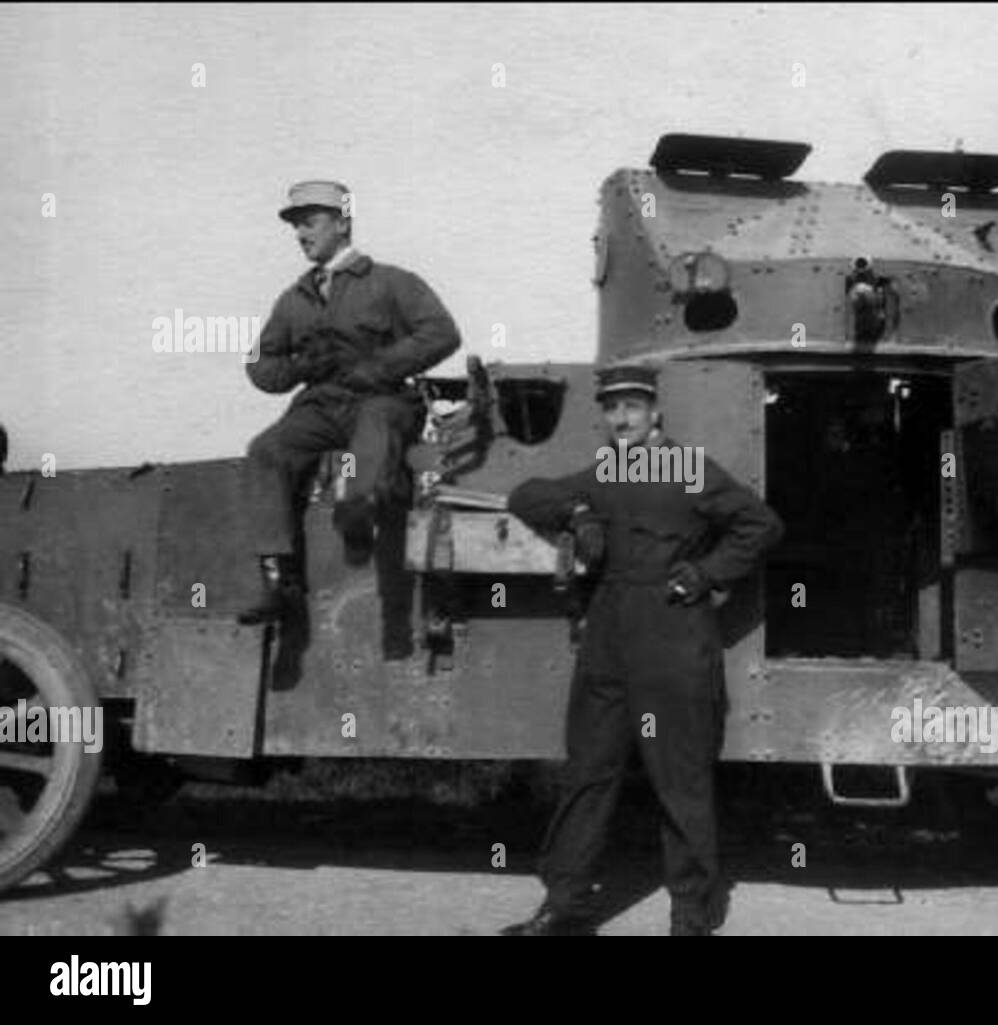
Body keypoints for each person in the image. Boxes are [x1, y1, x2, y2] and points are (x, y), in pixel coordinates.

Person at [501, 364, 783, 936]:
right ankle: (565, 903)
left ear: (656, 413)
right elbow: (526, 495)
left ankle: (692, 914)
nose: (621, 418)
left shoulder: (688, 468)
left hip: (674, 635)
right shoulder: (604, 471)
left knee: (679, 780)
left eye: (632, 406)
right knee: (587, 772)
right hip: (606, 635)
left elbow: (761, 525)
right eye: (611, 408)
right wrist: (577, 514)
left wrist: (704, 575)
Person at [238, 181, 461, 626]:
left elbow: (441, 333)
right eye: (296, 226)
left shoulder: (389, 282)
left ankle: (357, 512)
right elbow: (261, 366)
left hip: (382, 398)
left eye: (310, 222)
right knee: (266, 451)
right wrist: (301, 365)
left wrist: (380, 368)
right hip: (322, 406)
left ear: (342, 223)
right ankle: (280, 582)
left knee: (375, 428)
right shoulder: (294, 300)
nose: (301, 234)